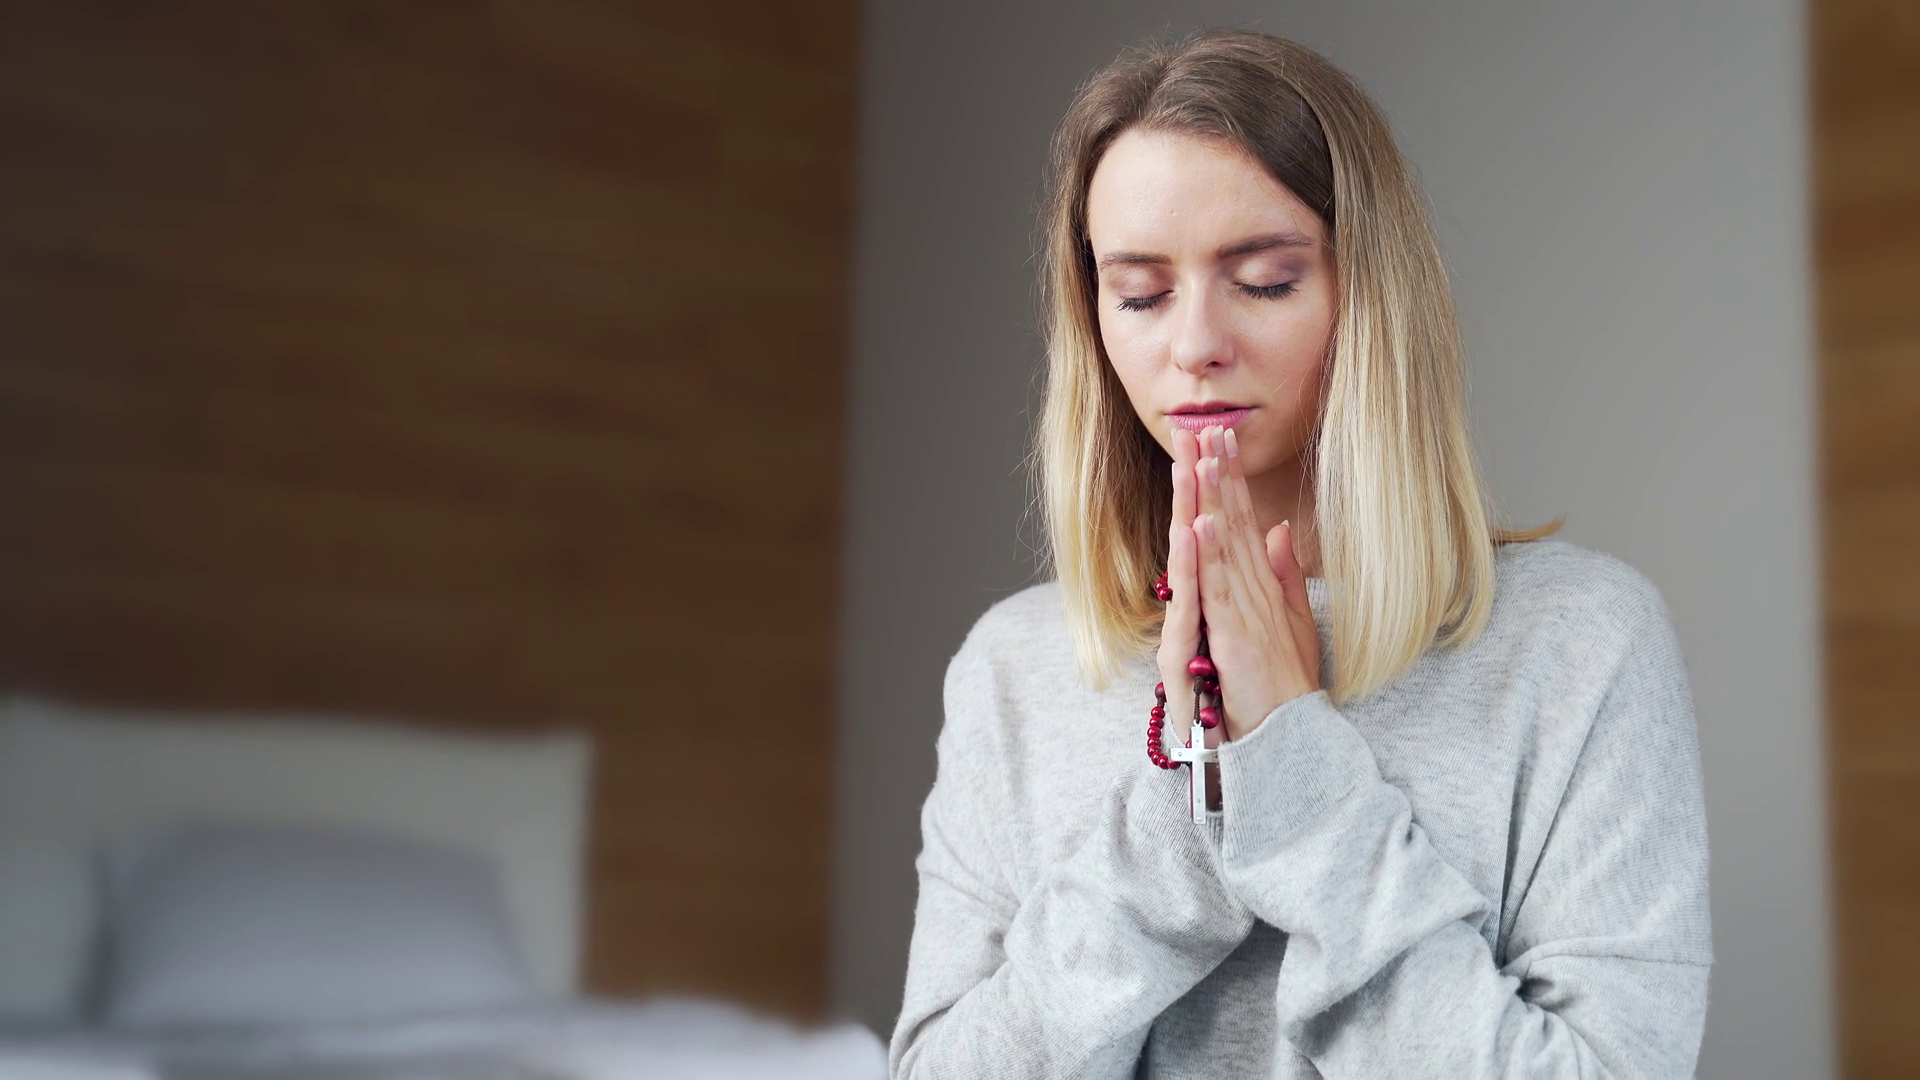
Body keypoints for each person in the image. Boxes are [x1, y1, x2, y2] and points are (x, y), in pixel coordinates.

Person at [888, 28, 1713, 1079]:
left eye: (1266, 281)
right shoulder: (1015, 667)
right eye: (1140, 295)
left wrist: (1291, 765)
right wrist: (1193, 791)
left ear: (1369, 294)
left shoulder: (1580, 646)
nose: (1195, 344)